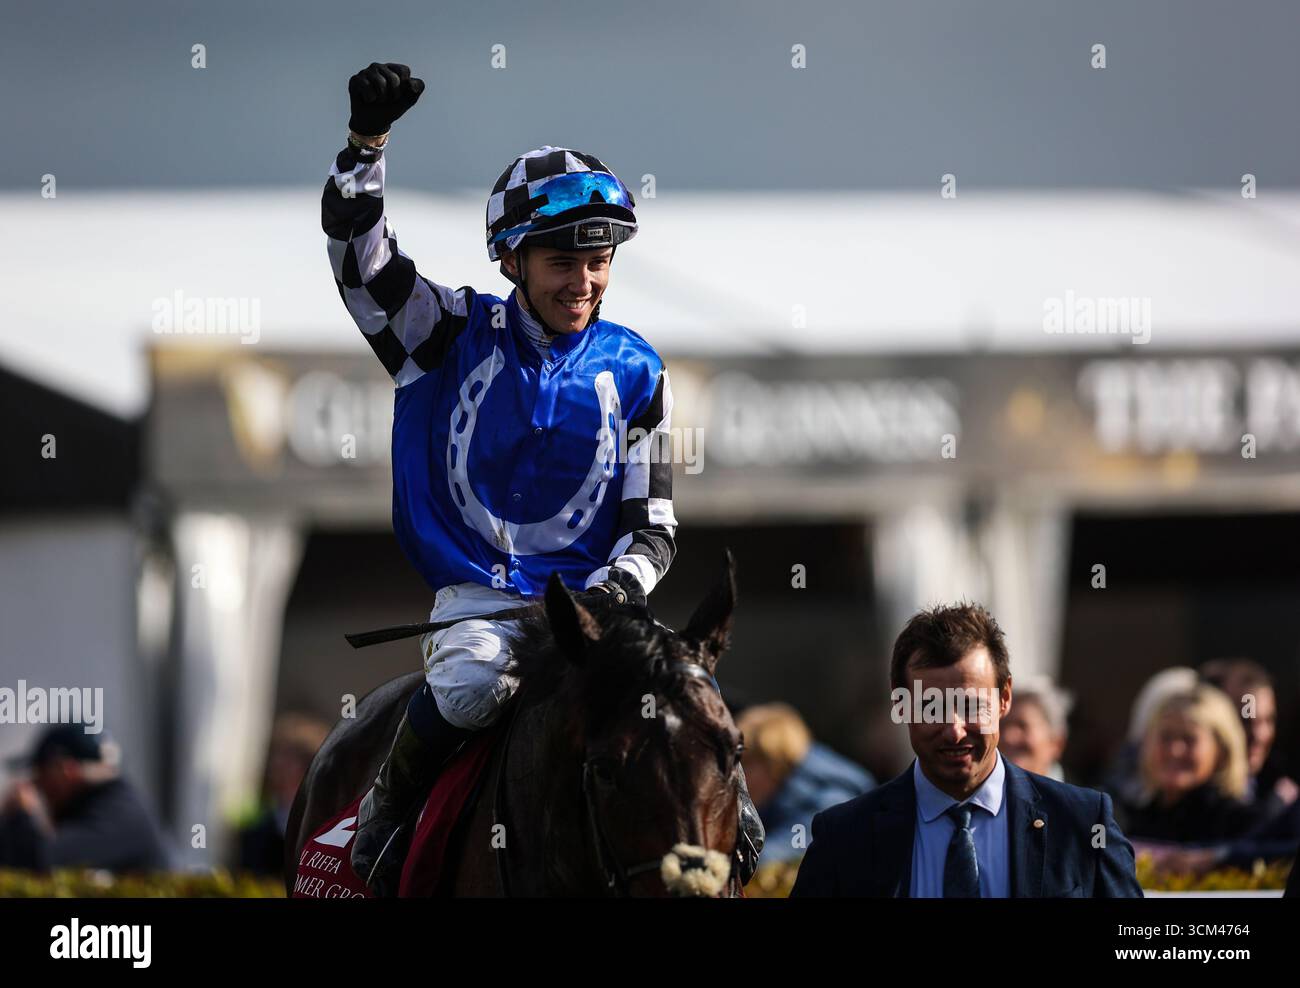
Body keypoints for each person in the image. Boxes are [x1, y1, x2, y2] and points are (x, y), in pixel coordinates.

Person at [322, 62, 761, 893]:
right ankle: (382, 816)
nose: (584, 281)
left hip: (601, 614)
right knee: (469, 689)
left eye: (598, 261)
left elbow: (654, 523)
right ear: (511, 261)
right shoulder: (444, 333)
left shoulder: (637, 367)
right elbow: (358, 262)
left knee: (690, 708)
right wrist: (364, 148)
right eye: (562, 261)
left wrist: (610, 597)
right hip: (483, 609)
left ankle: (731, 851)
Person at [790, 603, 1142, 897]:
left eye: (972, 706)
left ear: (1004, 698)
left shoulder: (1080, 823)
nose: (955, 730)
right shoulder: (845, 838)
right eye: (933, 707)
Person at [0, 724, 169, 873]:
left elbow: (41, 863)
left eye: (39, 773)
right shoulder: (108, 803)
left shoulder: (121, 816)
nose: (36, 784)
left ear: (66, 770)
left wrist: (22, 815)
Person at [736, 703, 874, 864]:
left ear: (774, 764)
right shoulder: (776, 802)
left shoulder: (831, 802)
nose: (737, 776)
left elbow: (779, 857)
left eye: (746, 764)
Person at [236, 713, 329, 875]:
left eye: (287, 757)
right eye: (276, 754)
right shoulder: (257, 831)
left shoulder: (326, 829)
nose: (276, 764)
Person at [998, 676, 1072, 781]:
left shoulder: (1080, 796)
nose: (1008, 737)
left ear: (1056, 743)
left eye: (1022, 726)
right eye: (1002, 725)